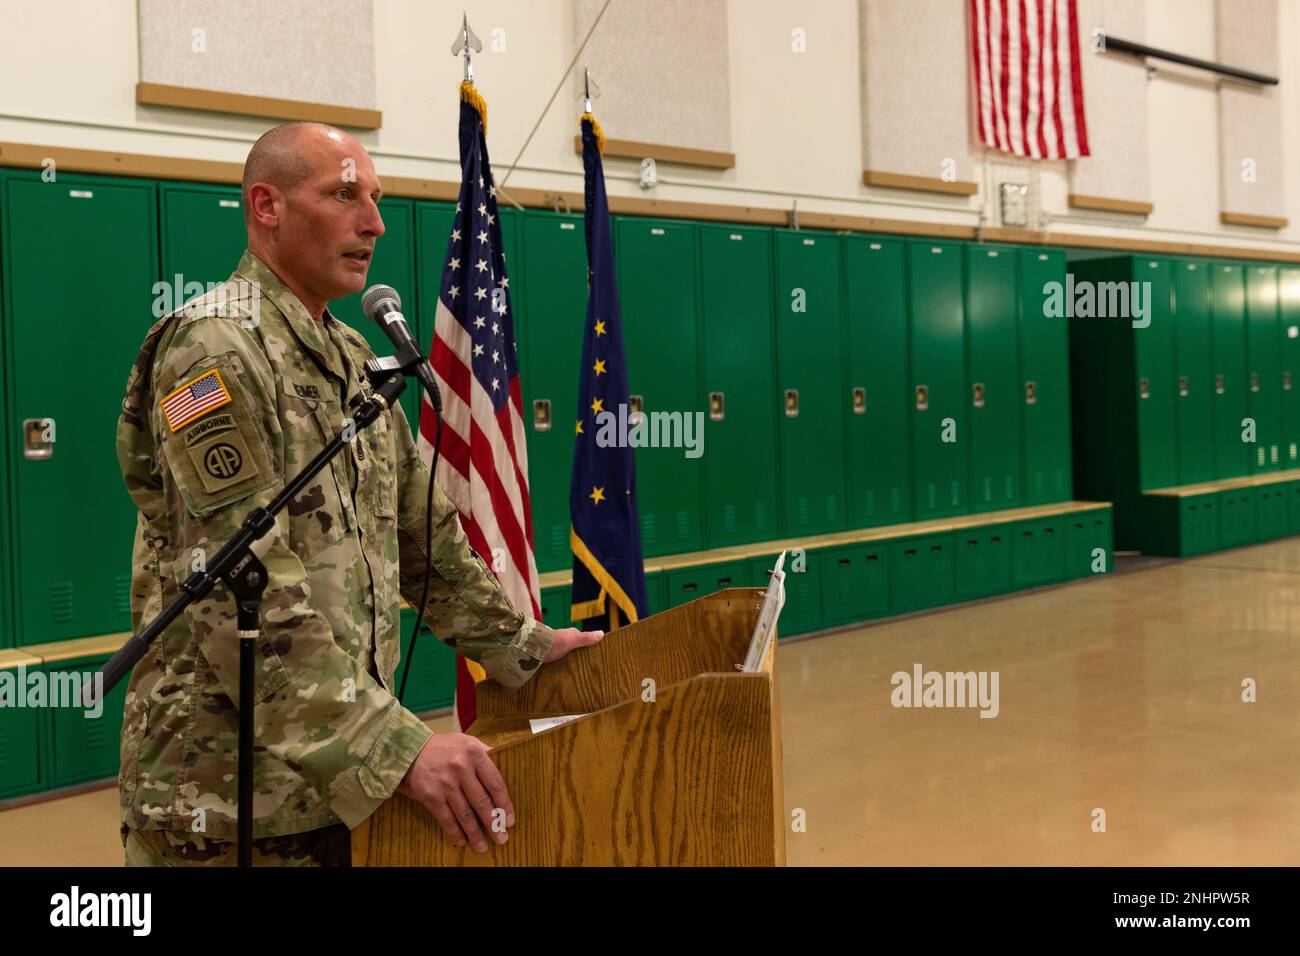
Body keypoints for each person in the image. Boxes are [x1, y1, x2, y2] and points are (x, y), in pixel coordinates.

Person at [115, 122, 602, 866]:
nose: (372, 222)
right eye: (344, 195)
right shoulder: (213, 347)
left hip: (336, 790)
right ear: (267, 206)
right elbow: (238, 586)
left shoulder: (348, 357)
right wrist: (397, 749)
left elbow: (423, 537)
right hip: (228, 801)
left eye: (374, 198)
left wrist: (521, 645)